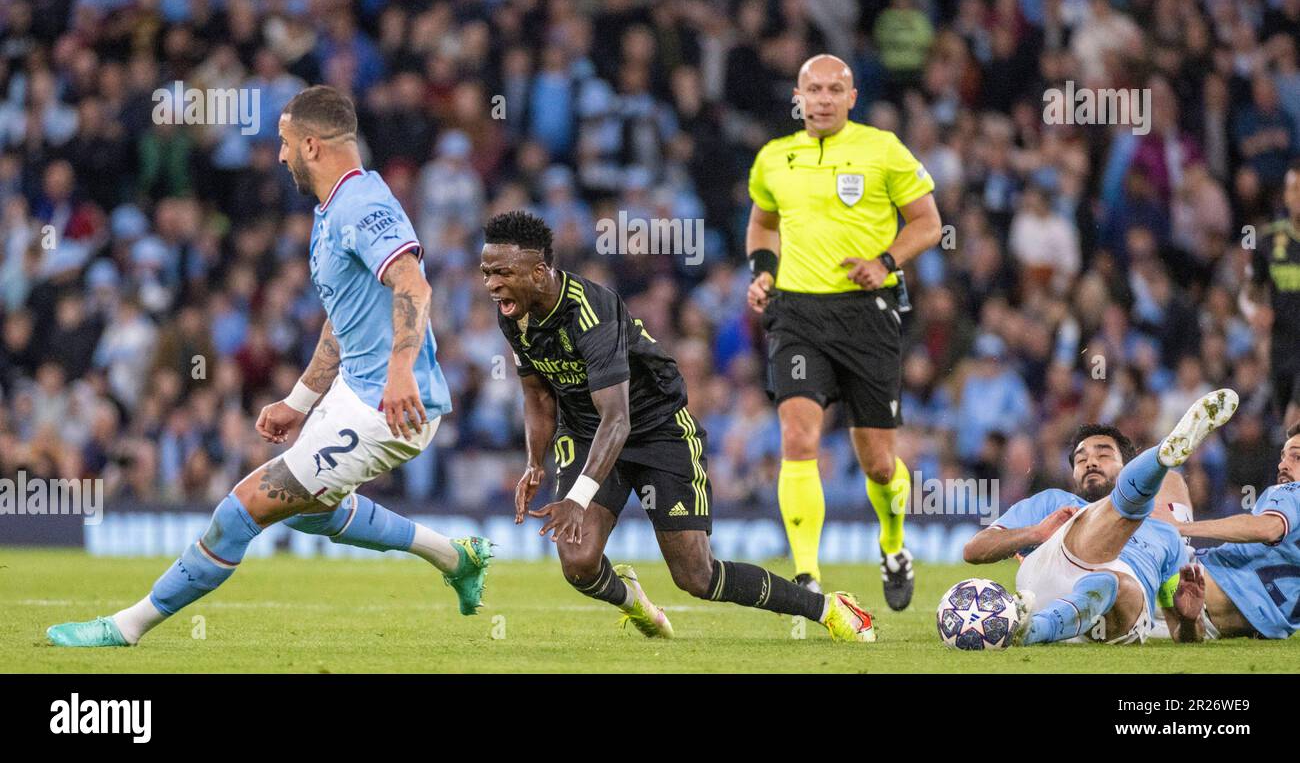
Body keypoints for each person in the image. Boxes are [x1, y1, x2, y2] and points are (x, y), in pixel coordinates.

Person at [47, 86, 491, 648]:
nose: (278, 156)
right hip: (358, 391)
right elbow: (343, 319)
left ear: (310, 145)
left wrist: (401, 368)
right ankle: (457, 557)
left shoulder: (363, 206)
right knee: (310, 512)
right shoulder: (332, 211)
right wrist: (298, 401)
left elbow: (413, 284)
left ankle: (125, 628)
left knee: (240, 510)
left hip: (390, 405)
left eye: (283, 144)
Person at [482, 210, 875, 643]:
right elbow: (537, 395)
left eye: (502, 273)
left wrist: (577, 496)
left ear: (539, 272)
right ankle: (634, 602)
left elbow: (618, 418)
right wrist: (534, 463)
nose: (491, 283)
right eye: (486, 273)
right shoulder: (512, 313)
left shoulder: (592, 312)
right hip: (586, 433)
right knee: (577, 560)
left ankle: (827, 608)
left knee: (696, 576)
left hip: (655, 429)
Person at [746, 53, 942, 608]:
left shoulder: (882, 149)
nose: (825, 98)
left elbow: (929, 223)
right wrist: (763, 273)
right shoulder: (773, 159)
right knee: (797, 437)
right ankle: (806, 574)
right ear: (799, 96)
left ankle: (894, 543)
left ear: (852, 97)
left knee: (878, 463)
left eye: (836, 89)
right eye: (815, 89)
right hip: (797, 316)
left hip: (867, 315)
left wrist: (885, 262)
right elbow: (762, 224)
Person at [963, 389, 1238, 645]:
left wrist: (1189, 619)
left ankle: (1031, 629)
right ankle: (1161, 457)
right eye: (1080, 460)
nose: (1090, 462)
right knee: (1096, 521)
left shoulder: (1167, 537)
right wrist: (1035, 534)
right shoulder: (1054, 502)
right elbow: (974, 551)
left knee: (1118, 583)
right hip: (1054, 573)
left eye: (1103, 455)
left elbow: (1182, 632)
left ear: (1128, 467)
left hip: (1116, 615)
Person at [1167, 429, 1300, 641]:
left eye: (1297, 457)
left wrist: (1179, 528)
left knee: (1166, 480)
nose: (1282, 465)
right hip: (1208, 617)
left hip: (1186, 582)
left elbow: (1266, 528)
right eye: (1283, 456)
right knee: (1170, 480)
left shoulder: (1293, 491)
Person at [1243, 163, 1300, 428]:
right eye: (1294, 189)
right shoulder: (1268, 240)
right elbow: (1248, 293)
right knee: (1288, 428)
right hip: (1282, 347)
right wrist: (1254, 312)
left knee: (1294, 419)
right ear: (1286, 195)